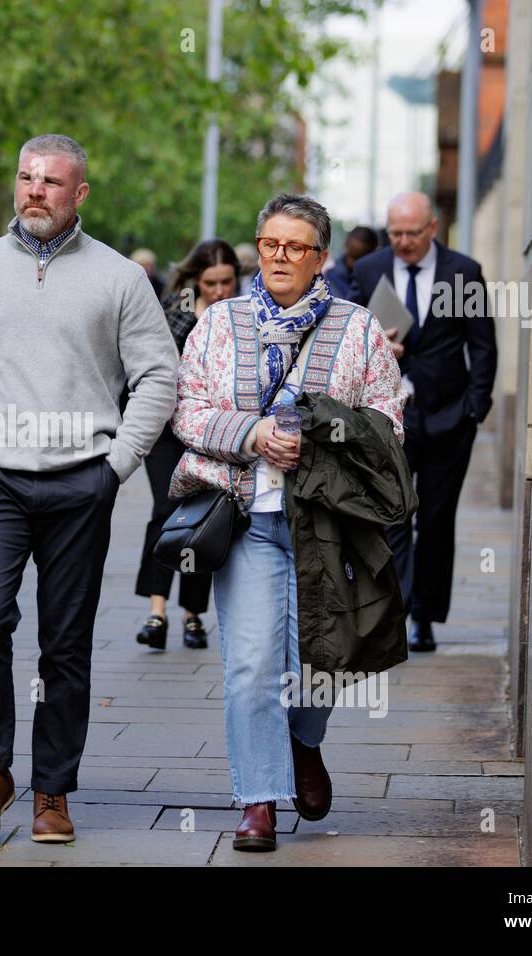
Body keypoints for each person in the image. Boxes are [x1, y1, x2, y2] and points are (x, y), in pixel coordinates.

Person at [0, 134, 177, 843]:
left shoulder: (120, 278)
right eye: (26, 177)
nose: (34, 190)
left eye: (51, 182)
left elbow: (160, 374)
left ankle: (52, 791)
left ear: (80, 194)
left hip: (80, 483)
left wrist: (116, 466)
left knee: (65, 643)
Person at [170, 193, 407, 851]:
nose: (278, 256)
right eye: (269, 243)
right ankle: (258, 800)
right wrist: (252, 434)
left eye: (294, 246)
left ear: (320, 258)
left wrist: (321, 437)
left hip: (326, 522)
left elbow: (389, 418)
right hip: (244, 519)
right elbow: (186, 413)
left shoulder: (358, 329)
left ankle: (304, 742)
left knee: (319, 660)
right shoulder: (218, 325)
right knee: (249, 665)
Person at [349, 192, 497, 652]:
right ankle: (401, 609)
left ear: (432, 228)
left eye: (412, 233)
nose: (403, 242)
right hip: (390, 415)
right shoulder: (370, 268)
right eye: (395, 233)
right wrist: (377, 348)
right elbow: (351, 335)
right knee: (393, 515)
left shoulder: (464, 272)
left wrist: (476, 406)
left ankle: (427, 615)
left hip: (451, 416)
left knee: (435, 520)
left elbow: (484, 345)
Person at [133, 239, 238, 651]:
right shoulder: (174, 312)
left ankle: (193, 615)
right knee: (165, 509)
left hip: (214, 431)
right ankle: (156, 611)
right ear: (196, 279)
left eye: (227, 281)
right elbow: (150, 366)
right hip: (165, 428)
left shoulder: (242, 315)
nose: (219, 290)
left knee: (202, 515)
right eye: (211, 282)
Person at [323, 226, 378, 299]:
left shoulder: (375, 279)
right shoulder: (329, 277)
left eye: (359, 258)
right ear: (346, 245)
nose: (352, 263)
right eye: (351, 256)